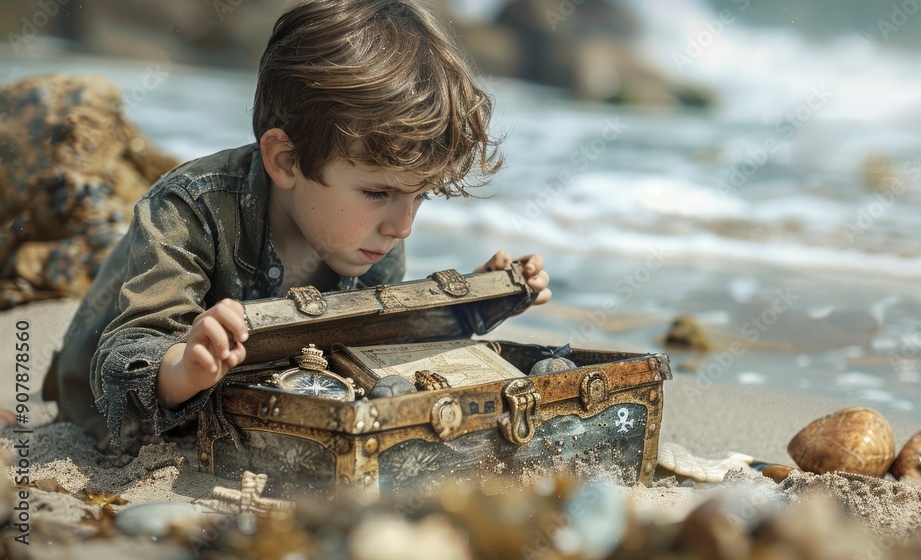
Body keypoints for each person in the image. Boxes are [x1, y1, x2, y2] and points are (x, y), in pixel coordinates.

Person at [48, 0, 551, 449]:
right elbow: (126, 357)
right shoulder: (189, 209)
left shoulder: (372, 239)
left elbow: (373, 347)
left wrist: (470, 304)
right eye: (378, 192)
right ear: (286, 160)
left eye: (420, 195)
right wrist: (183, 368)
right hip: (97, 416)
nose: (403, 226)